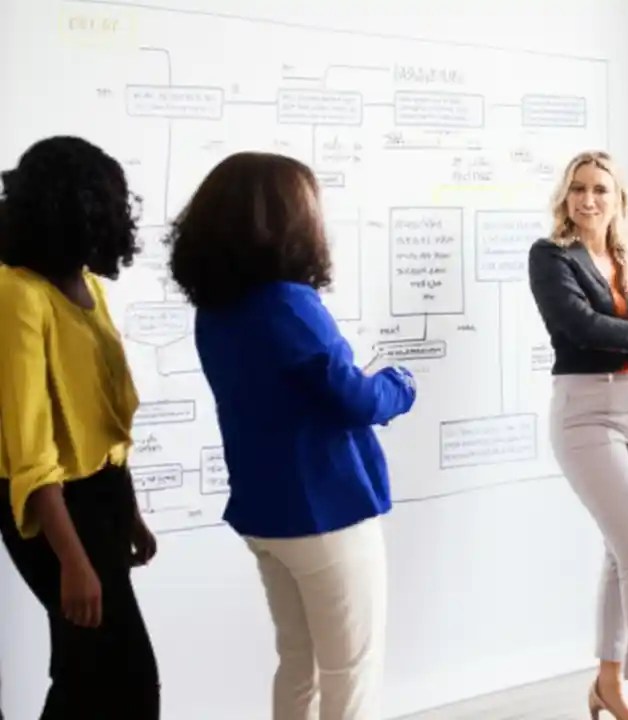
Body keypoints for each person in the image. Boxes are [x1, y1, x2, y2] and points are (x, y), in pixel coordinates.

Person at [167, 152, 417, 720]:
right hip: (325, 513)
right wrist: (401, 383)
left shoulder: (217, 309)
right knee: (351, 672)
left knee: (299, 663)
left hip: (265, 514)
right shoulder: (288, 303)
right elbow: (354, 398)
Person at [527, 150, 628, 720]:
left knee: (623, 552)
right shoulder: (551, 257)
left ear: (618, 199)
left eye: (600, 189)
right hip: (586, 412)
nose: (588, 200)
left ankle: (607, 681)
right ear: (565, 196)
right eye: (578, 189)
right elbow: (576, 326)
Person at [0, 136, 160, 717]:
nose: (109, 218)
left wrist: (130, 509)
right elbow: (30, 444)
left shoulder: (87, 282)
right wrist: (71, 558)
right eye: (98, 206)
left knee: (91, 671)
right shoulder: (16, 292)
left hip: (103, 495)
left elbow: (100, 418)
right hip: (52, 509)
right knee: (117, 679)